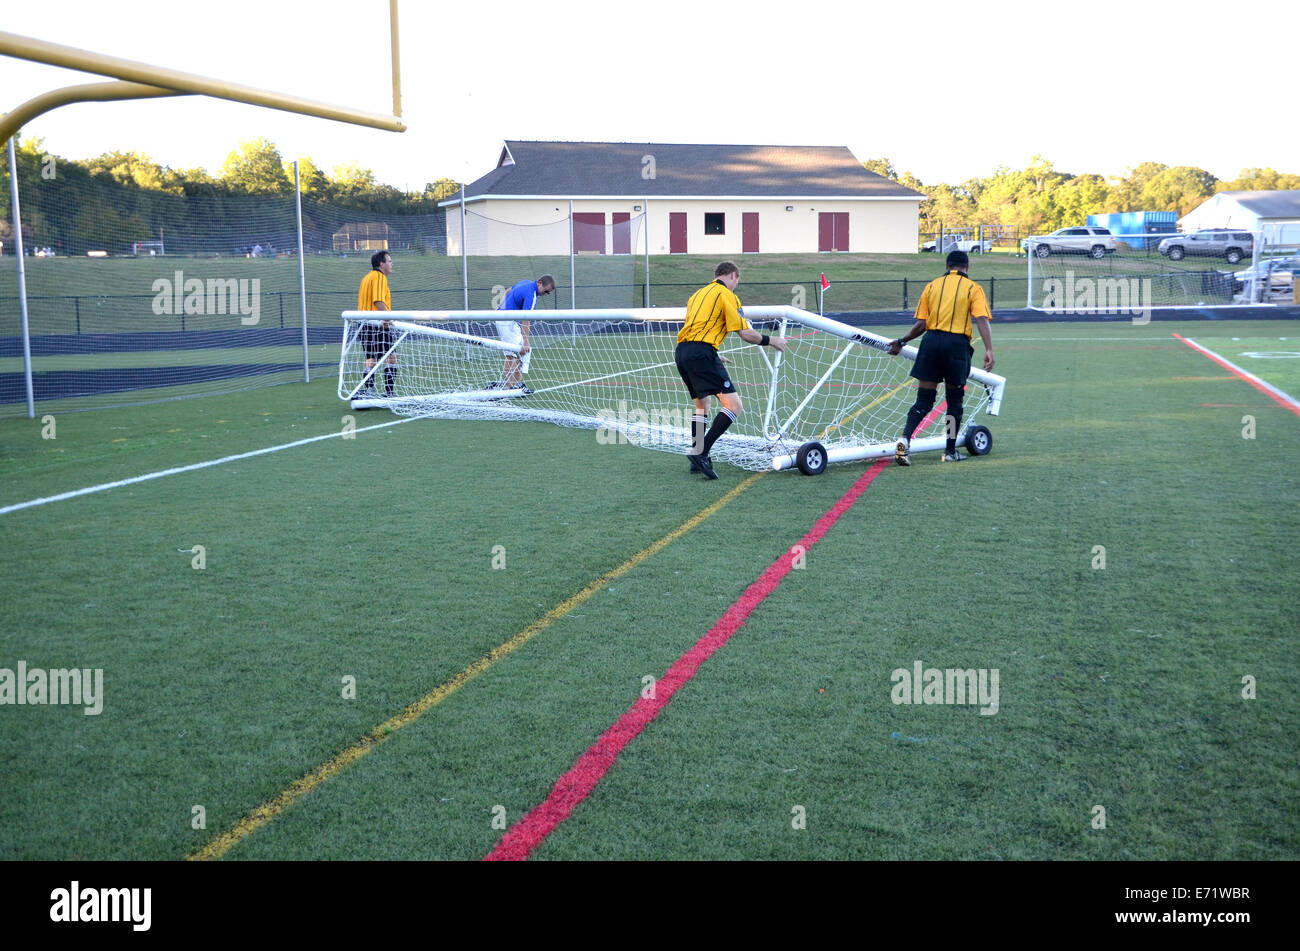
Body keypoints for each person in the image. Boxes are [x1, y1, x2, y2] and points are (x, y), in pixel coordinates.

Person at [674, 261, 787, 480]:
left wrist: (713, 355)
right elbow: (745, 333)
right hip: (701, 352)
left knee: (702, 404)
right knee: (734, 406)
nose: (736, 286)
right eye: (737, 281)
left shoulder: (697, 295)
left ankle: (696, 462)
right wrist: (772, 340)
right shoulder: (727, 295)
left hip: (682, 352)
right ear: (733, 276)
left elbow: (698, 329)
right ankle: (701, 452)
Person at [888, 249, 995, 465]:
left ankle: (904, 441)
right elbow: (982, 319)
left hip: (930, 343)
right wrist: (989, 349)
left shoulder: (932, 286)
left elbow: (922, 324)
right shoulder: (973, 288)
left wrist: (901, 341)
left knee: (923, 400)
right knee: (954, 402)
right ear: (967, 267)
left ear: (947, 266)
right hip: (956, 346)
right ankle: (950, 451)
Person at [492, 275, 555, 393]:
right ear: (539, 283)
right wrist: (526, 341)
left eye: (548, 293)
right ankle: (507, 387)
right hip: (506, 322)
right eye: (545, 291)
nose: (545, 294)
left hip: (508, 321)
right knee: (513, 353)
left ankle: (519, 383)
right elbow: (526, 319)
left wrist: (501, 306)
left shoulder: (526, 282)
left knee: (523, 351)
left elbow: (509, 290)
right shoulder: (531, 295)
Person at [356, 251, 396, 397]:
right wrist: (386, 319)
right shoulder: (379, 277)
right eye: (389, 261)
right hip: (377, 324)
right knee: (391, 357)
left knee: (371, 358)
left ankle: (369, 391)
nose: (391, 264)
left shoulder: (367, 277)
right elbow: (378, 300)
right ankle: (389, 392)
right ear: (381, 264)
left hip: (364, 325)